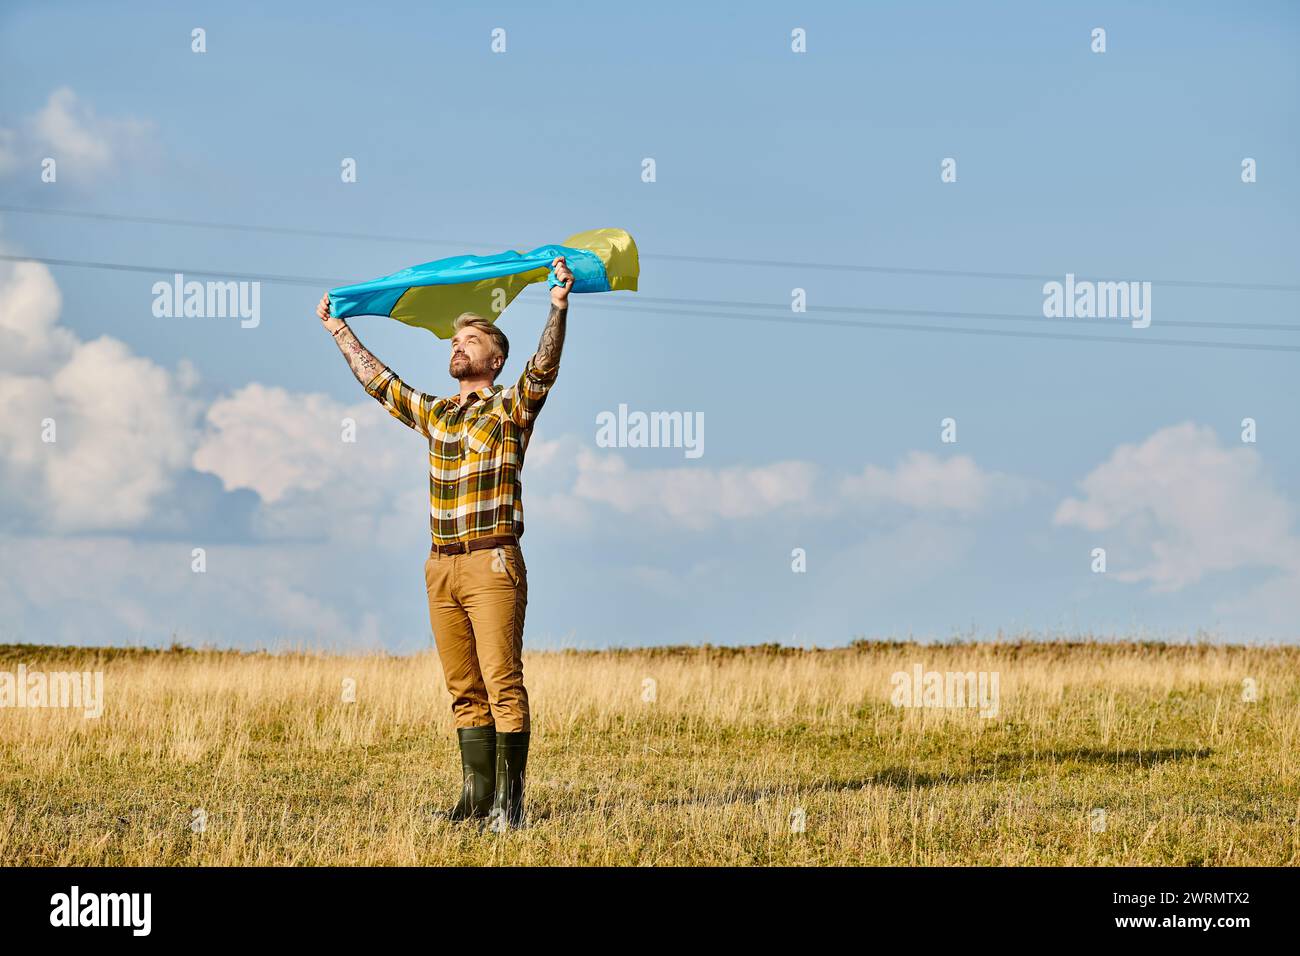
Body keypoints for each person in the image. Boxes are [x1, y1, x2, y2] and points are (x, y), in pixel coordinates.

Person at [315, 256, 573, 831]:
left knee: (503, 681)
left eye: (472, 339)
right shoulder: (435, 413)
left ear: (494, 358)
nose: (458, 347)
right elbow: (380, 384)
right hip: (441, 567)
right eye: (455, 340)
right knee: (463, 687)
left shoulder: (510, 408)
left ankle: (511, 805)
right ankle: (475, 798)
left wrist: (557, 307)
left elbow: (543, 368)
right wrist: (339, 329)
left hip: (493, 560)